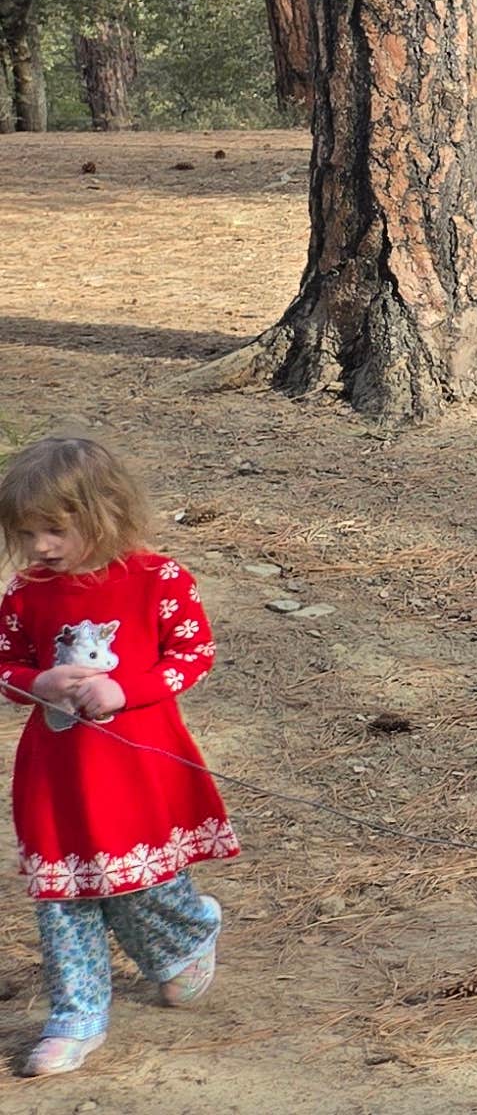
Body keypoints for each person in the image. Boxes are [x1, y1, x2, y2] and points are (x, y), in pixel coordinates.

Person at [0, 436, 237, 1077]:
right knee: (64, 893)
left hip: (140, 764)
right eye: (27, 532)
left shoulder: (158, 579)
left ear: (103, 511)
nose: (41, 545)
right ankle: (76, 1015)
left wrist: (122, 689)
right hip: (57, 769)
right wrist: (36, 682)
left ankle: (187, 934)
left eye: (54, 528)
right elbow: (6, 662)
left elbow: (194, 655)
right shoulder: (27, 593)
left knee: (140, 886)